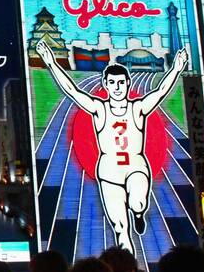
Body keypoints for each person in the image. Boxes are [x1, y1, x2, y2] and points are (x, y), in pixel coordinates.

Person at [36, 42, 189, 252]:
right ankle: (128, 270)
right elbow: (72, 91)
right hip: (109, 172)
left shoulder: (138, 108)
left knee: (137, 203)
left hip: (136, 166)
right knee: (119, 227)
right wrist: (51, 63)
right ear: (106, 86)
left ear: (127, 83)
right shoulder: (99, 108)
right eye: (112, 83)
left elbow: (161, 91)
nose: (117, 87)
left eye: (120, 83)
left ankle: (138, 214)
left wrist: (177, 69)